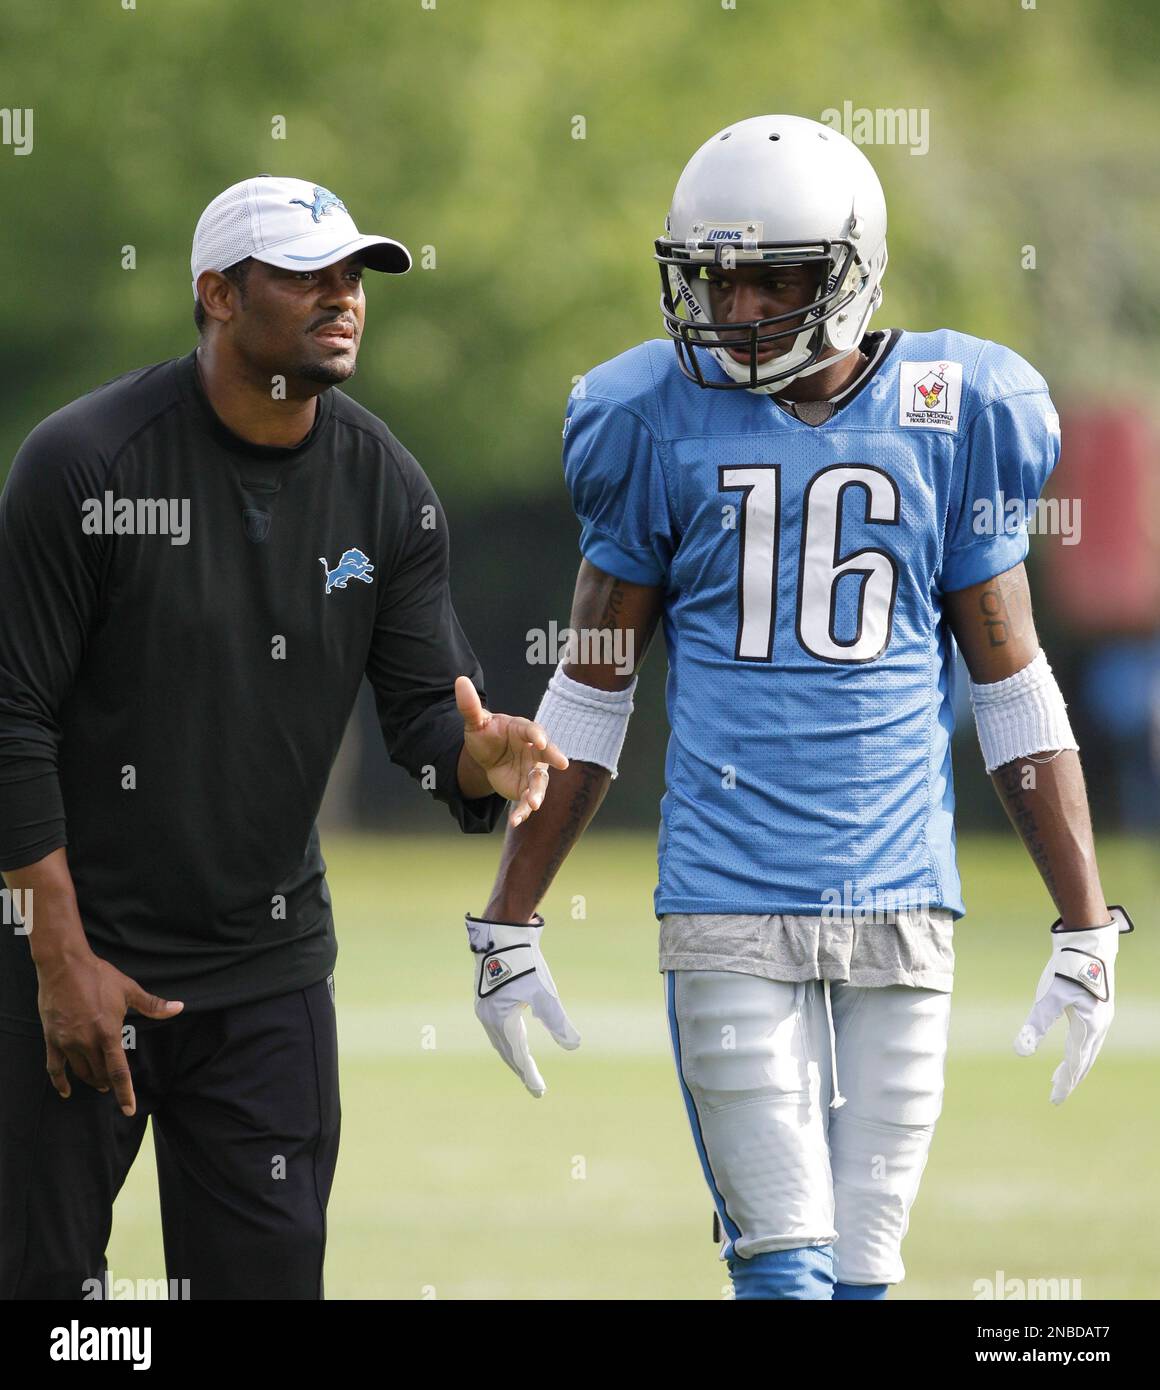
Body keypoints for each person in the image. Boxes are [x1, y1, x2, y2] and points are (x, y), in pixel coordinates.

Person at [464, 116, 1133, 1300]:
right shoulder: (646, 413)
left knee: (866, 1277)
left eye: (770, 276)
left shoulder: (957, 402)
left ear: (850, 269)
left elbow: (1011, 679)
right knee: (784, 1274)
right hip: (727, 898)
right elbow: (593, 685)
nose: (733, 309)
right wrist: (507, 915)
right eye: (713, 277)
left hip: (901, 899)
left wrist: (1086, 921)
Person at [0, 175, 566, 1300]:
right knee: (45, 1295)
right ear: (216, 293)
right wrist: (59, 958)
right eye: (304, 275)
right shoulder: (84, 465)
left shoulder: (384, 487)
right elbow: (11, 712)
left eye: (353, 276)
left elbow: (418, 713)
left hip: (262, 976)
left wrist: (474, 757)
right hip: (65, 951)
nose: (342, 297)